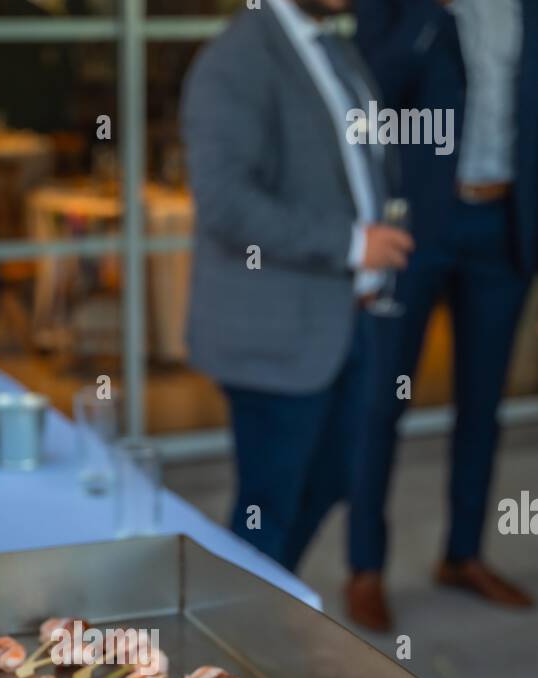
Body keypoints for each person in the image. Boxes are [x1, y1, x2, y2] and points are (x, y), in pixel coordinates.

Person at [181, 0, 413, 573]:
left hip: (345, 317)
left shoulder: (335, 46)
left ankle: (268, 599)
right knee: (267, 510)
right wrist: (353, 244)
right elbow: (226, 204)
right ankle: (243, 628)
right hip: (275, 332)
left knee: (334, 478)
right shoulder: (234, 59)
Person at [348, 0, 538, 630]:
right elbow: (371, 85)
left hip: (504, 225)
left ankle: (463, 554)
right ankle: (365, 568)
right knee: (383, 403)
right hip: (419, 226)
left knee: (483, 406)